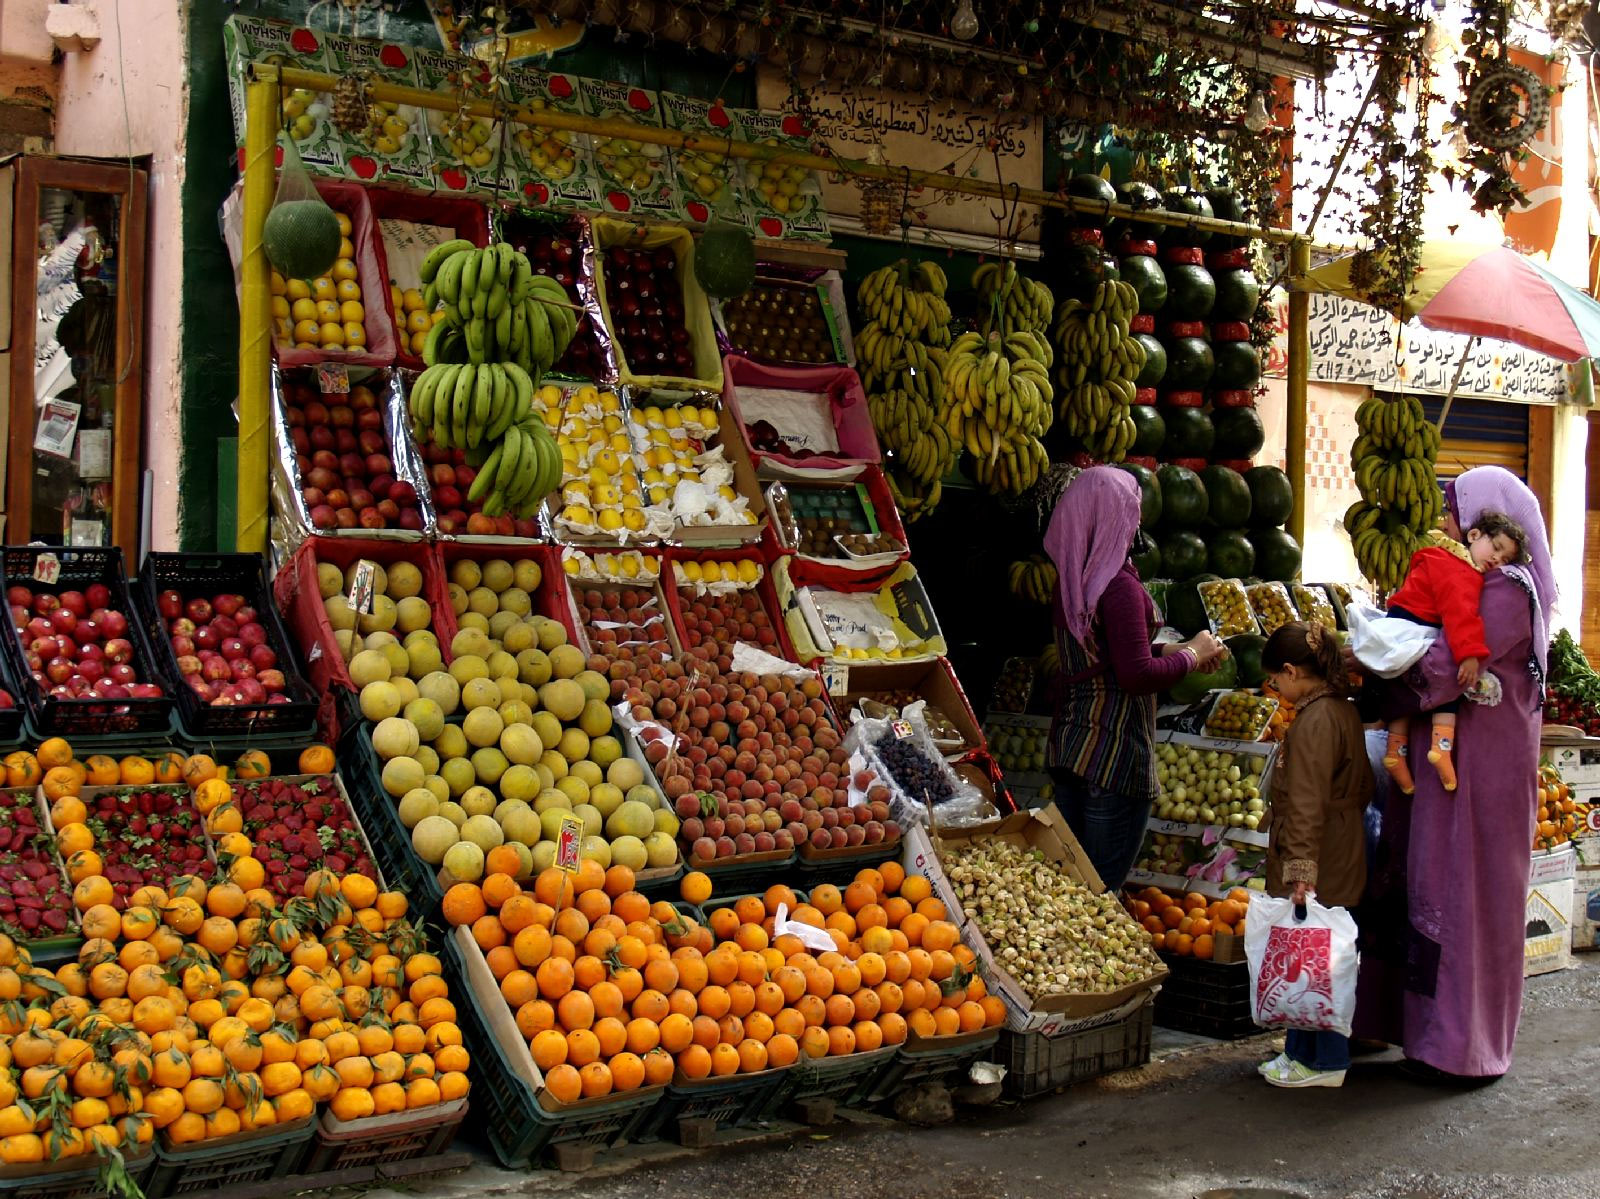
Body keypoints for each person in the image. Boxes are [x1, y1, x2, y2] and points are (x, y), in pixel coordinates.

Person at [1355, 466, 1552, 1084]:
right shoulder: (1490, 579)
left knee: (1461, 892)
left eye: (1455, 512)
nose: (1447, 523)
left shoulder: (1504, 590)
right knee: (1423, 882)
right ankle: (1406, 1027)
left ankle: (1459, 1049)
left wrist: (1369, 663)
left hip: (1474, 774)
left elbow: (1444, 666)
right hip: (1453, 768)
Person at [1043, 467, 1222, 887]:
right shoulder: (1117, 584)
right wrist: (1194, 653)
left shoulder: (1071, 578)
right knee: (1101, 892)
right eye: (1132, 510)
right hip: (1113, 756)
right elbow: (1135, 676)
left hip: (1072, 748)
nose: (1137, 520)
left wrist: (1168, 651)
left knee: (1073, 888)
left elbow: (1105, 654)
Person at [1252, 621, 1373, 1088]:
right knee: (1311, 955)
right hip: (1339, 844)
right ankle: (1300, 1052)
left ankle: (1323, 1062)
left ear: (1290, 671)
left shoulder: (1316, 721)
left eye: (1275, 680)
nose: (1275, 689)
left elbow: (1305, 802)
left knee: (1313, 961)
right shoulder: (1336, 710)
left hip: (1320, 851)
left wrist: (1300, 872)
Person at [1366, 511, 1526, 794]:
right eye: (1496, 548)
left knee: (1400, 693)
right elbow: (1460, 615)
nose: (1496, 560)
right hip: (1418, 627)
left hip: (1398, 624)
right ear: (1474, 535)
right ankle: (1441, 748)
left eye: (1503, 560)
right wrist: (1470, 654)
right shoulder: (1461, 570)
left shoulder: (1437, 555)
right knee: (1450, 685)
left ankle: (1395, 753)